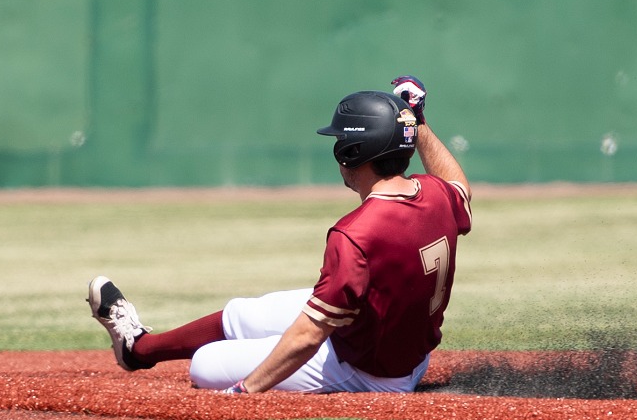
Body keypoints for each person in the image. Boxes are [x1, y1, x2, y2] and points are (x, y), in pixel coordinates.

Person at [88, 76, 470, 394]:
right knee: (242, 314)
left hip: (371, 374)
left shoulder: (356, 232)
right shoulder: (434, 194)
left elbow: (309, 335)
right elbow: (458, 186)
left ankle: (154, 354)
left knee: (204, 366)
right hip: (406, 352)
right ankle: (138, 348)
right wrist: (418, 122)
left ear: (352, 152)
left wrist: (246, 389)